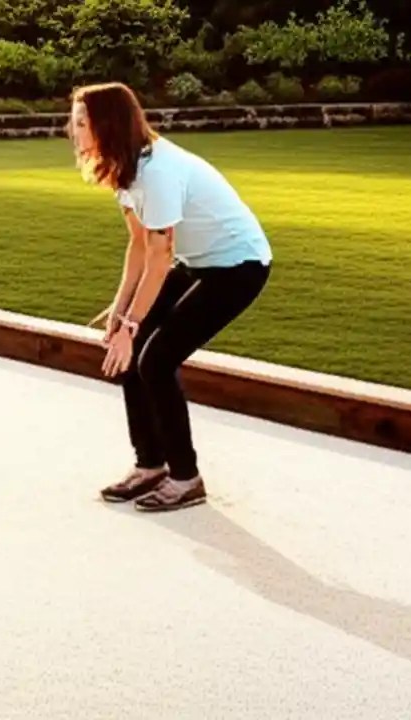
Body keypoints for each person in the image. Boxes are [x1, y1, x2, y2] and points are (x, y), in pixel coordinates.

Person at [70, 82, 273, 512]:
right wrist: (120, 311)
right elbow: (139, 245)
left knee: (155, 359)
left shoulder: (158, 172)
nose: (74, 130)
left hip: (239, 266)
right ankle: (150, 465)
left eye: (81, 122)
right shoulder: (122, 166)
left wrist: (131, 326)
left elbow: (160, 256)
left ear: (107, 124)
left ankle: (186, 478)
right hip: (197, 261)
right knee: (130, 355)